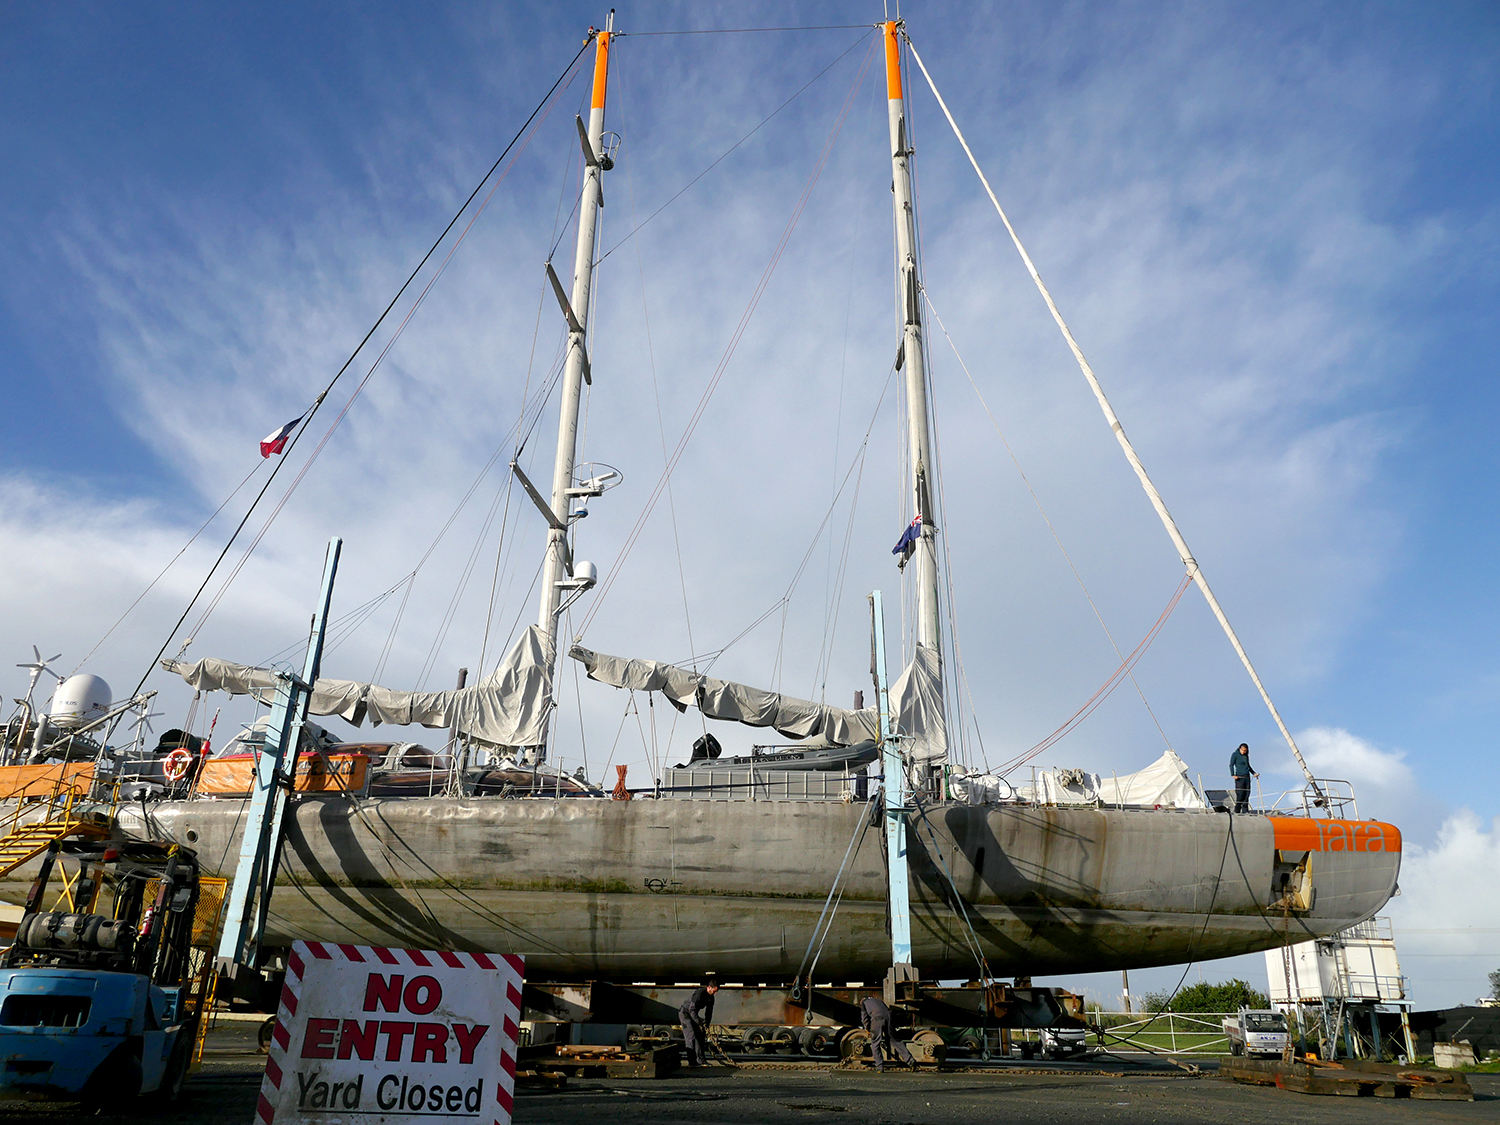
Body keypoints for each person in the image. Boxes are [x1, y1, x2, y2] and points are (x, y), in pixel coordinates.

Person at [860, 995, 915, 1071]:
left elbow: (864, 1018)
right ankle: (910, 1060)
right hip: (889, 1018)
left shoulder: (863, 1002)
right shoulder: (878, 1000)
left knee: (875, 1043)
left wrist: (867, 1029)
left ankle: (880, 1067)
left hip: (877, 1019)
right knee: (895, 1041)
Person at [678, 979, 718, 1066]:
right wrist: (699, 1022)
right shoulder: (699, 994)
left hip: (693, 1014)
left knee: (700, 1036)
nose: (715, 993)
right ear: (709, 988)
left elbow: (709, 1012)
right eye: (714, 991)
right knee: (691, 1036)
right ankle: (692, 1061)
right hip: (685, 1013)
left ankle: (701, 1060)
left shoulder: (711, 998)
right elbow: (691, 1009)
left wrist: (706, 1025)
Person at [1230, 742, 1258, 813]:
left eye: (1245, 751)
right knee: (1240, 793)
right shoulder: (1235, 755)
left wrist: (1254, 773)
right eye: (1242, 750)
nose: (1243, 752)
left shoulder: (1246, 756)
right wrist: (1233, 774)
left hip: (1247, 777)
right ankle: (1237, 810)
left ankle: (1245, 810)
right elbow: (1231, 765)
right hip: (1239, 777)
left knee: (1247, 793)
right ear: (1240, 749)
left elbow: (1248, 766)